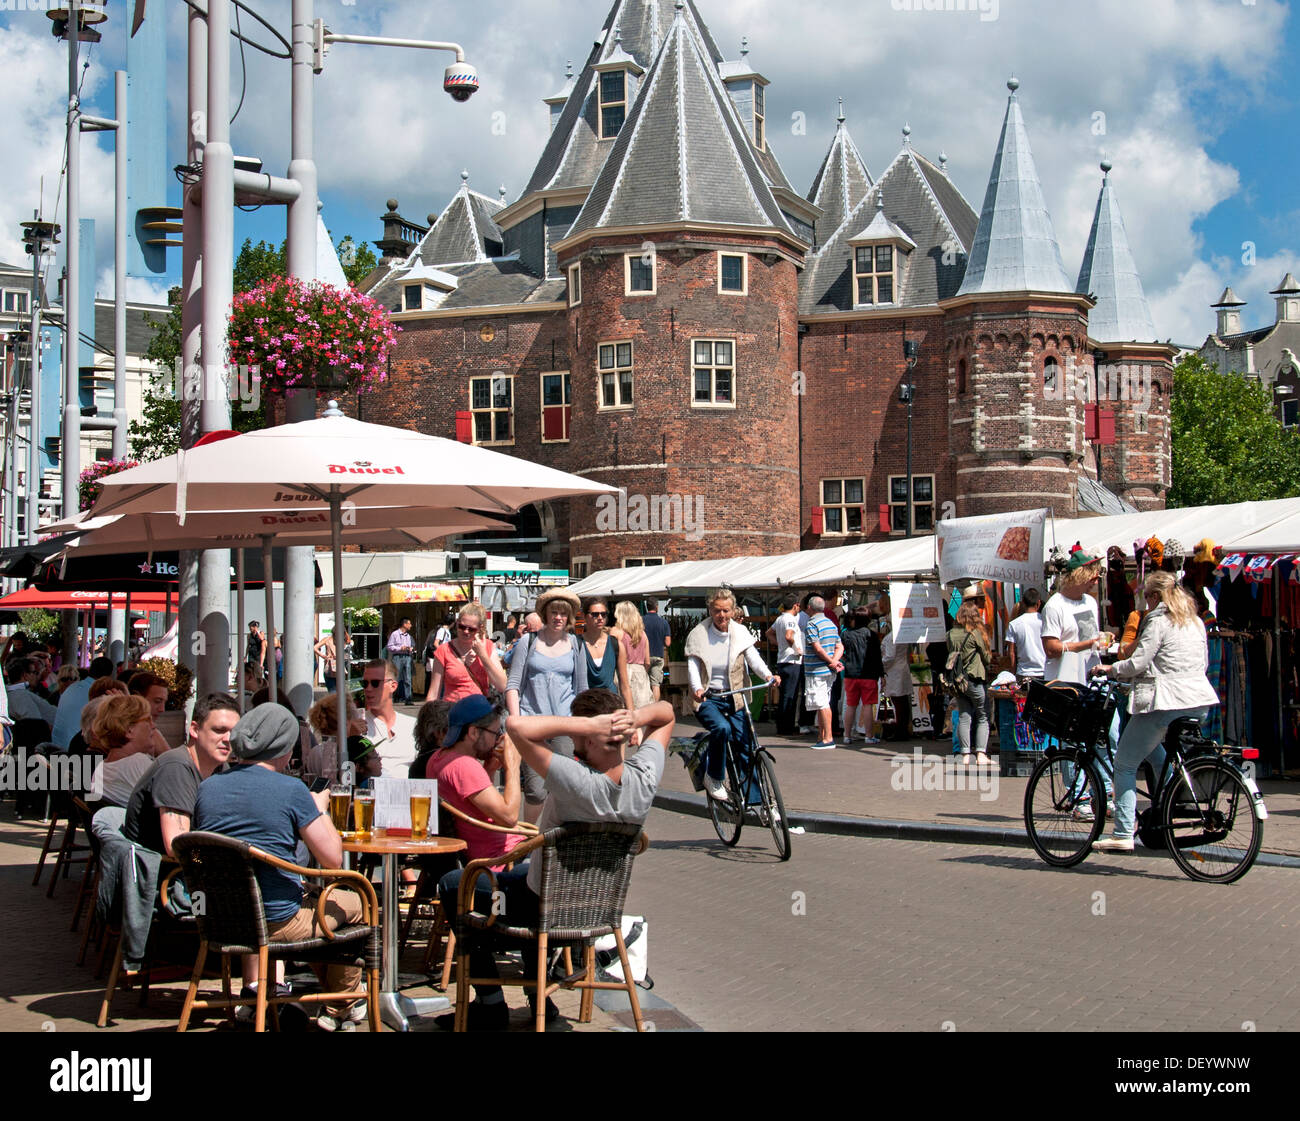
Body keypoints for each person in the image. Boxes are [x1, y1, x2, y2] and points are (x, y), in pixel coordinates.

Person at [440, 689, 674, 1031]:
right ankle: (539, 997)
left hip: (538, 909)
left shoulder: (575, 779)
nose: (573, 744)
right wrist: (634, 718)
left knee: (454, 884)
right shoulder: (644, 777)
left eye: (579, 735)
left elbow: (517, 726)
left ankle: (490, 1003)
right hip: (597, 909)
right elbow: (666, 713)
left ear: (590, 737)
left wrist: (587, 724)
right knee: (524, 872)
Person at [195, 704, 366, 1032]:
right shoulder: (292, 790)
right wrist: (319, 810)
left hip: (220, 917)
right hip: (277, 920)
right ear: (287, 749)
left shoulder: (208, 787)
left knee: (320, 904)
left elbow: (200, 853)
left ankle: (338, 1004)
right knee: (357, 901)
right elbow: (333, 859)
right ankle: (342, 1004)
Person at [1091, 571, 1222, 854]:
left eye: (1146, 597)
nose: (1145, 603)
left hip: (1166, 702)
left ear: (1155, 596)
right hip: (1198, 702)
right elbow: (1202, 663)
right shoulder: (1196, 621)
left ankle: (1123, 833)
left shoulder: (1158, 621)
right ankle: (1164, 815)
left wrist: (1110, 668)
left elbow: (1138, 662)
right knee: (1156, 755)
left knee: (1125, 764)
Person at [686, 588, 779, 799]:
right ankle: (714, 777)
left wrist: (768, 676)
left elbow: (753, 658)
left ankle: (756, 800)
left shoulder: (740, 633)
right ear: (710, 610)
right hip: (710, 697)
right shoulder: (699, 635)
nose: (722, 616)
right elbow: (693, 666)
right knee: (721, 728)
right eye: (717, 611)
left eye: (726, 611)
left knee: (746, 745)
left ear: (733, 610)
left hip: (735, 696)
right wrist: (697, 688)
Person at [123, 693, 240, 858]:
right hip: (170, 876)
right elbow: (177, 846)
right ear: (194, 729)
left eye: (233, 732)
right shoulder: (175, 768)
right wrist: (218, 861)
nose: (228, 739)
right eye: (219, 730)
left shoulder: (220, 768)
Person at [506, 589, 589, 809]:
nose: (558, 617)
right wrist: (517, 721)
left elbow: (582, 690)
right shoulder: (528, 642)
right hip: (533, 723)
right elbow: (513, 684)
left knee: (565, 788)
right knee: (535, 791)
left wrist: (584, 727)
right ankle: (530, 840)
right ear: (545, 614)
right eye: (554, 612)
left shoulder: (576, 645)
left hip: (564, 725)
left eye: (563, 613)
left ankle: (553, 838)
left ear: (569, 616)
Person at [425, 603, 507, 704]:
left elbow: (502, 686)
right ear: (457, 623)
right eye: (462, 627)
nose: (466, 631)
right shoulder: (444, 650)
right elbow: (434, 692)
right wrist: (428, 717)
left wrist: (483, 655)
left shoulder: (488, 647)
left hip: (480, 714)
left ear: (480, 628)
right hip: (453, 712)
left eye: (471, 629)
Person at [91, 694, 159, 807]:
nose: (153, 726)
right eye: (148, 720)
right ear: (129, 730)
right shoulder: (138, 762)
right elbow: (176, 799)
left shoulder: (100, 769)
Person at [947, 601, 992, 766]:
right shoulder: (975, 634)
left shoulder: (950, 634)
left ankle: (965, 754)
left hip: (958, 681)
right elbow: (987, 658)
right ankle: (980, 753)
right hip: (974, 679)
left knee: (964, 716)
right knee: (982, 715)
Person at [304, 695, 379, 785]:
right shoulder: (325, 753)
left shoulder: (316, 751)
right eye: (357, 715)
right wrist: (352, 740)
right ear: (347, 722)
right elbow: (347, 783)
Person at [360, 659, 417, 774]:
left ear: (393, 686)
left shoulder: (413, 725)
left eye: (375, 683)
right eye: (365, 684)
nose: (368, 689)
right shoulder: (358, 723)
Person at [802, 595, 843, 750]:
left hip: (816, 669)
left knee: (822, 703)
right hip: (828, 670)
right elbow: (840, 646)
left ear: (810, 608)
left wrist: (831, 661)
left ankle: (828, 738)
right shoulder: (830, 623)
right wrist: (834, 660)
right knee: (823, 702)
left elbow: (817, 648)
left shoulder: (812, 624)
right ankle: (822, 735)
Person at [50, 656, 114, 750]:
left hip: (56, 746)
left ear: (89, 670)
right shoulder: (98, 693)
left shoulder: (72, 688)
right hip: (73, 750)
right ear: (109, 675)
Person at [841, 608, 883, 745]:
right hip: (869, 675)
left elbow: (841, 652)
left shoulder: (846, 635)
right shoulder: (871, 635)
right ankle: (869, 736)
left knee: (851, 705)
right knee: (867, 705)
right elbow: (878, 657)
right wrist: (882, 674)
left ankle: (847, 735)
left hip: (850, 674)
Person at [581, 597, 632, 707]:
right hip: (585, 708)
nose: (600, 618)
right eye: (595, 614)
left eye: (603, 614)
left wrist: (631, 715)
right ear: (585, 616)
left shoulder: (616, 645)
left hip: (610, 706)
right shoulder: (577, 644)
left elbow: (625, 685)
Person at [765, 596, 804, 736]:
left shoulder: (780, 618)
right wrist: (796, 648)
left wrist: (777, 643)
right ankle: (786, 727)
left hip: (782, 659)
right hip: (792, 660)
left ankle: (783, 725)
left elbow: (768, 633)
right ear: (795, 606)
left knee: (785, 695)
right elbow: (789, 636)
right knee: (790, 695)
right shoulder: (790, 619)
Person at [611, 601, 653, 709]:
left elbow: (610, 658)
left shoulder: (615, 632)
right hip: (640, 673)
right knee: (640, 713)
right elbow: (647, 662)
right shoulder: (643, 634)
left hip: (622, 672)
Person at [880, 616, 914, 743]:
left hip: (894, 671)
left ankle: (900, 730)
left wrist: (881, 665)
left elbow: (889, 657)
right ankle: (903, 728)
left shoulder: (891, 637)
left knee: (898, 702)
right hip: (902, 668)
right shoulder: (903, 635)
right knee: (903, 701)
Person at [1006, 588, 1046, 682]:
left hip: (1023, 673)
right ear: (1038, 603)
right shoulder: (1045, 621)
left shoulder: (1014, 624)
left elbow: (1011, 653)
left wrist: (1012, 673)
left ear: (1023, 603)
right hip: (1044, 672)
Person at [5, 656, 58, 726]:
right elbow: (36, 725)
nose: (37, 676)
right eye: (34, 672)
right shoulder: (21, 696)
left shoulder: (13, 693)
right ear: (25, 675)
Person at [642, 600, 672, 703]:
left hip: (644, 657)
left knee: (643, 683)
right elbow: (668, 642)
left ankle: (644, 707)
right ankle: (655, 708)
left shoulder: (640, 621)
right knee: (655, 684)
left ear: (646, 606)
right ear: (657, 607)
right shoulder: (663, 622)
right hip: (658, 656)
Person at [386, 616, 416, 704]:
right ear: (405, 624)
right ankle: (392, 697)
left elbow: (412, 646)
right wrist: (400, 648)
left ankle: (408, 698)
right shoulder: (395, 634)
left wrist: (410, 648)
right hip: (398, 657)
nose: (411, 625)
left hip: (407, 657)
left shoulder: (408, 636)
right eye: (409, 623)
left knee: (408, 678)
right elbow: (390, 646)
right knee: (396, 678)